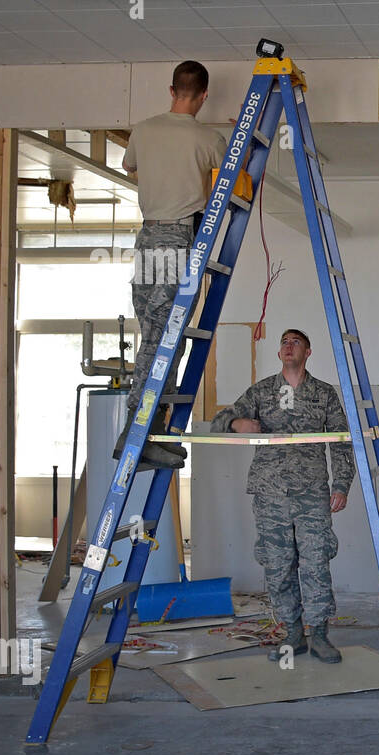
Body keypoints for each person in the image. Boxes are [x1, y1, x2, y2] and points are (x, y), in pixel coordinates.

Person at [210, 329, 354, 663]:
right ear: (279, 354)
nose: (289, 346)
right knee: (277, 564)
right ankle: (292, 632)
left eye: (296, 342)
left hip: (311, 493)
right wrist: (237, 424)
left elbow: (341, 441)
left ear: (308, 352)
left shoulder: (324, 394)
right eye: (284, 343)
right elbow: (219, 422)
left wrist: (341, 485)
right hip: (270, 493)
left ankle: (318, 634)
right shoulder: (261, 392)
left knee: (316, 562)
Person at [120, 60, 226, 470]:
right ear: (203, 96)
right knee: (164, 340)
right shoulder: (207, 138)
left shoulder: (143, 130)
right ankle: (139, 429)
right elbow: (231, 174)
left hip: (147, 239)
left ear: (171, 90)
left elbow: (130, 166)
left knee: (155, 334)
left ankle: (146, 426)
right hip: (177, 241)